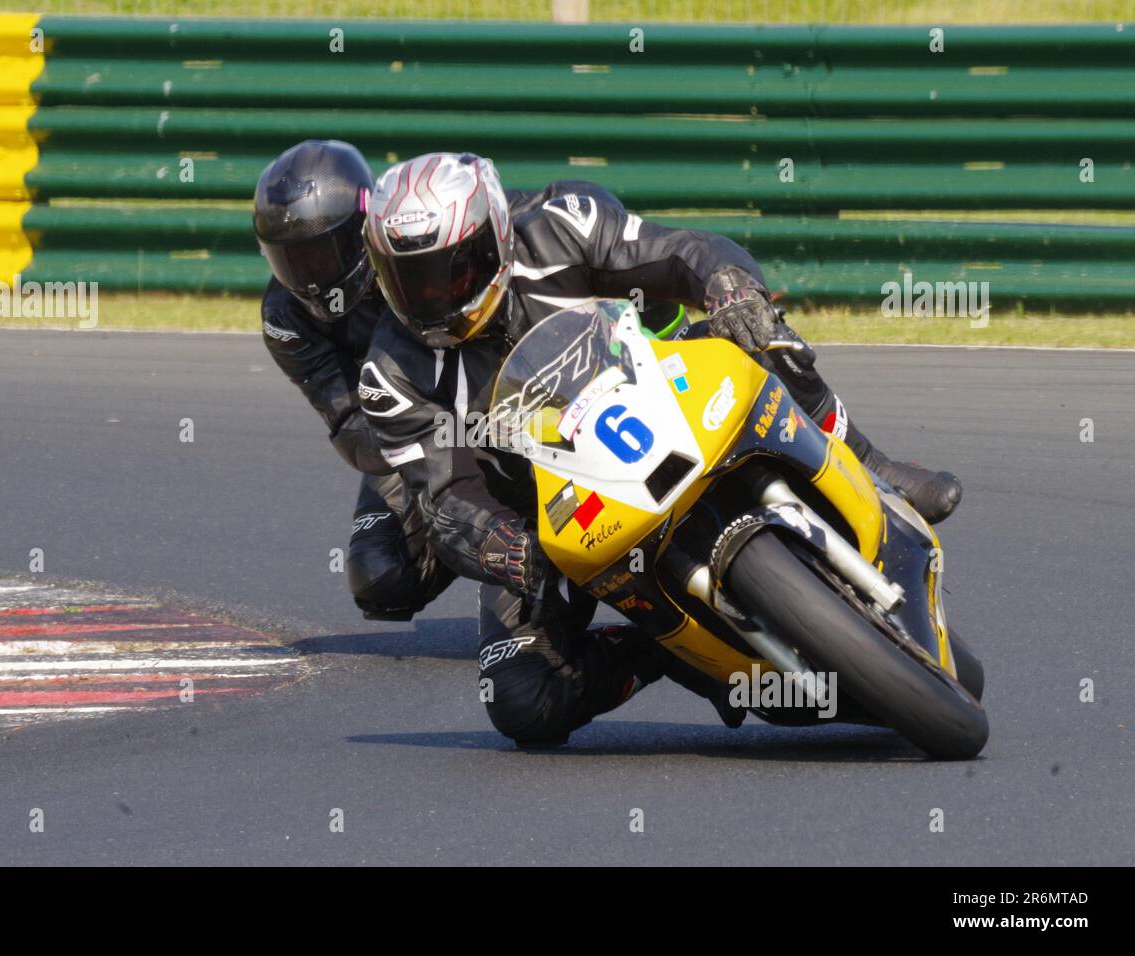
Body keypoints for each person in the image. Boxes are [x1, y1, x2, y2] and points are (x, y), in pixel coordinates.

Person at [357, 151, 962, 745]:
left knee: (758, 331)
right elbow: (445, 497)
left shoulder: (561, 224)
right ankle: (667, 651)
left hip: (665, 393)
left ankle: (864, 457)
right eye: (410, 282)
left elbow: (680, 253)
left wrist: (727, 287)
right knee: (522, 698)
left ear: (494, 235)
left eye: (452, 271)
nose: (434, 297)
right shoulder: (390, 375)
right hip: (553, 517)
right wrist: (508, 549)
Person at [255, 139, 677, 621]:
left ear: (365, 227)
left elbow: (570, 219)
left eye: (324, 252)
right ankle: (515, 543)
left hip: (538, 379)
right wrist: (439, 440)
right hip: (421, 421)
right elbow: (350, 427)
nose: (313, 276)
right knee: (381, 575)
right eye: (292, 260)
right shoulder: (288, 318)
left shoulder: (452, 233)